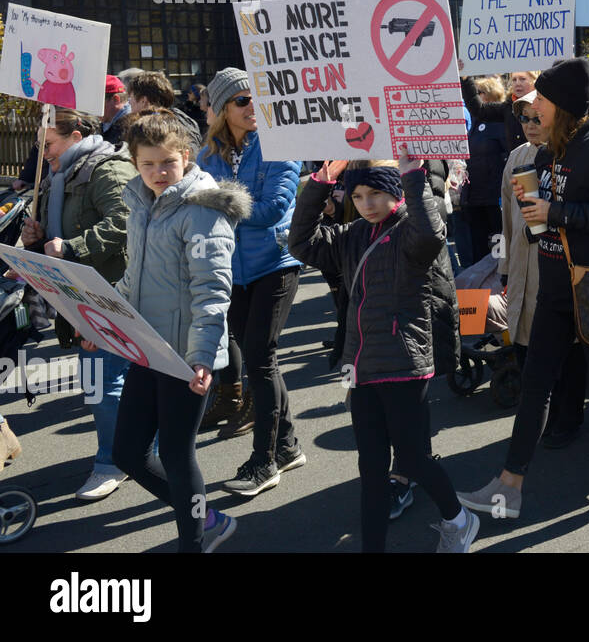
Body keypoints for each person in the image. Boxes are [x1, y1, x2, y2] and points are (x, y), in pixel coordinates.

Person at [457, 57, 589, 518]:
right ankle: (509, 485)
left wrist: (554, 214)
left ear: (561, 105)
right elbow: (544, 215)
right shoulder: (546, 151)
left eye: (540, 98)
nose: (531, 105)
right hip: (555, 288)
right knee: (536, 384)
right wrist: (533, 218)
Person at [289, 156, 478, 552]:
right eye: (357, 195)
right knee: (371, 469)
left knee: (414, 459)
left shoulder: (412, 229)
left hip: (405, 365)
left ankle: (459, 519)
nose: (366, 203)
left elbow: (431, 232)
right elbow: (301, 242)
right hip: (361, 366)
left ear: (395, 190)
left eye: (376, 193)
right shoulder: (350, 235)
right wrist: (320, 183)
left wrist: (413, 174)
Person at [111, 110, 245, 552]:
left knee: (175, 452)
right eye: (147, 164)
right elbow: (133, 279)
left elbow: (213, 290)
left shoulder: (202, 209)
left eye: (167, 162)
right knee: (127, 453)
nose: (158, 173)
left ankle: (195, 539)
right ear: (135, 163)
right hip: (148, 349)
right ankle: (204, 517)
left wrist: (203, 355)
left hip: (187, 357)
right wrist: (103, 320)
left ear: (185, 156)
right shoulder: (142, 203)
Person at [197, 68, 305, 496]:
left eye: (258, 98)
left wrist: (217, 200)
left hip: (277, 262)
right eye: (243, 100)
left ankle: (264, 462)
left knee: (259, 357)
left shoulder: (283, 141)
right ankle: (289, 446)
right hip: (232, 270)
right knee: (263, 361)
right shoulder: (207, 156)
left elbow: (275, 208)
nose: (253, 107)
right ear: (224, 109)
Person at [20, 109, 135, 501]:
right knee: (108, 379)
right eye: (40, 144)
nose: (44, 152)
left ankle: (113, 462)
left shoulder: (106, 169)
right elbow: (57, 234)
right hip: (81, 294)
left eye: (48, 144)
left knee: (103, 380)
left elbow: (125, 222)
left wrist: (72, 246)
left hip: (112, 291)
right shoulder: (59, 174)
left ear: (76, 134)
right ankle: (139, 451)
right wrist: (38, 239)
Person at [498, 90, 587, 449]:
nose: (531, 126)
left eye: (537, 118)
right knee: (525, 339)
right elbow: (505, 214)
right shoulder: (516, 157)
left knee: (564, 343)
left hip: (557, 261)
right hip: (522, 261)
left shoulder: (570, 154)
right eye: (524, 119)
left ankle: (569, 415)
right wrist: (504, 264)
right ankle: (541, 416)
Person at [460, 75, 514, 264]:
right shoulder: (473, 122)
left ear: (490, 95)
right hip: (474, 198)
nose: (473, 97)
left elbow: (508, 156)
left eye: (479, 92)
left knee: (499, 252)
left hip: (494, 199)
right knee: (478, 252)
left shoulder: (500, 122)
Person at [127, 71, 202, 151]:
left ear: (143, 101)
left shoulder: (148, 128)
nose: (129, 102)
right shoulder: (186, 119)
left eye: (131, 98)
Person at [101, 75, 132, 146]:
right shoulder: (106, 123)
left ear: (116, 99)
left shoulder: (130, 129)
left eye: (96, 102)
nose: (94, 110)